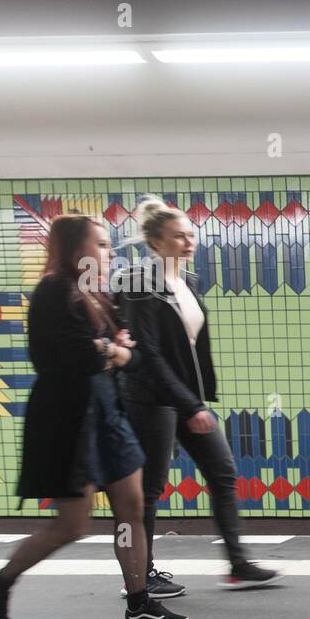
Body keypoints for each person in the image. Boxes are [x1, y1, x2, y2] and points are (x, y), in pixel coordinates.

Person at [0, 215, 189, 619]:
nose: (109, 254)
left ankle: (139, 600)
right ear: (75, 252)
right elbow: (81, 356)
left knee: (132, 505)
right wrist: (111, 350)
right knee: (73, 524)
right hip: (68, 419)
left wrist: (111, 350)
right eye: (101, 245)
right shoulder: (55, 292)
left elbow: (132, 355)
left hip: (106, 413)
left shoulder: (96, 297)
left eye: (109, 245)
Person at [115, 196, 282, 593]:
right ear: (156, 242)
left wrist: (195, 398)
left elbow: (189, 347)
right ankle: (142, 575)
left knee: (222, 472)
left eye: (191, 235)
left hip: (185, 398)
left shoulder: (186, 281)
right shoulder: (137, 282)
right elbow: (149, 354)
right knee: (149, 490)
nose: (189, 243)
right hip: (151, 398)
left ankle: (238, 563)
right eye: (178, 237)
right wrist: (190, 404)